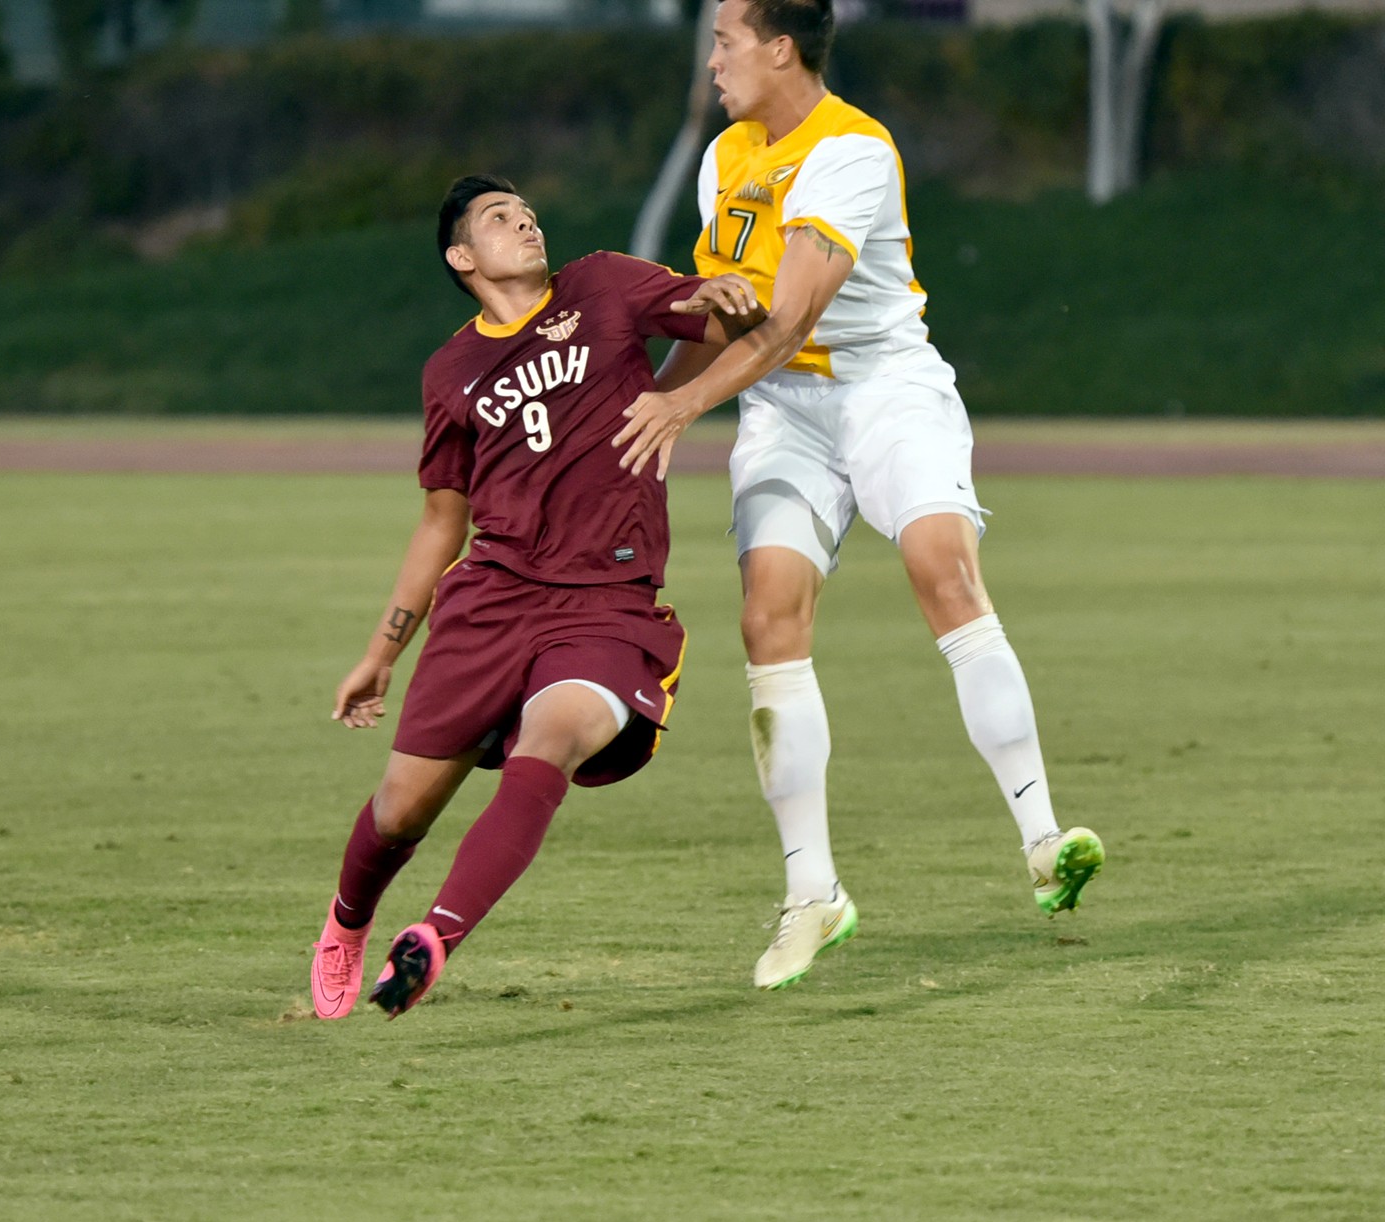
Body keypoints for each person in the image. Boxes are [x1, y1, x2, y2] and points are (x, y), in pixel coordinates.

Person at [613, 0, 1104, 991]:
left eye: (725, 40)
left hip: (884, 388)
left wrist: (683, 409)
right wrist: (641, 408)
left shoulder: (852, 149)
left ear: (780, 47)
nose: (711, 61)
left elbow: (790, 317)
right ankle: (811, 894)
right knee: (767, 615)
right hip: (782, 409)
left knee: (939, 565)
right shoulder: (725, 157)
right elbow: (722, 313)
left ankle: (1044, 838)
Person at [314, 174, 765, 1019]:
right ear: (462, 257)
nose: (524, 221)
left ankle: (435, 938)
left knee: (551, 742)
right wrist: (381, 655)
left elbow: (706, 315)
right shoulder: (451, 372)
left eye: (526, 211)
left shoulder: (600, 282)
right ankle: (345, 926)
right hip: (490, 602)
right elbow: (441, 522)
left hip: (607, 604)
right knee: (401, 810)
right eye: (498, 218)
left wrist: (728, 294)